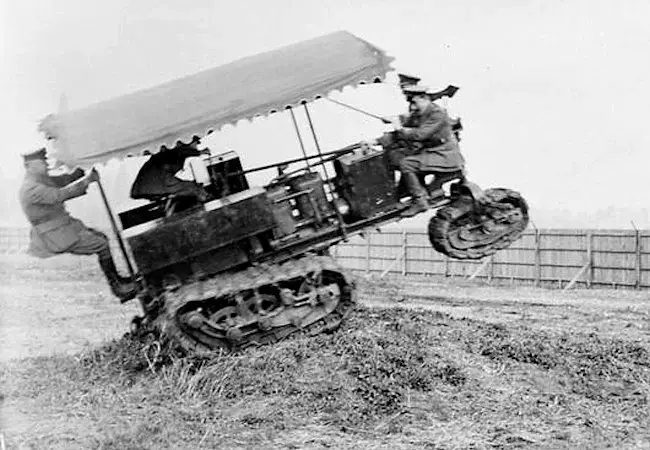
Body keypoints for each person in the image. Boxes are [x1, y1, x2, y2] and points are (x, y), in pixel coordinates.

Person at [19, 147, 137, 301]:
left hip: (64, 227)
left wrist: (84, 167)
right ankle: (118, 288)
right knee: (100, 244)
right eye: (42, 162)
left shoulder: (40, 180)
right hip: (54, 234)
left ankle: (119, 281)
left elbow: (65, 179)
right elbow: (59, 195)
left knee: (101, 237)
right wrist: (87, 180)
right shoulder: (31, 188)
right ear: (29, 166)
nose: (46, 164)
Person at [373, 85, 465, 217]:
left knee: (407, 163)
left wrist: (399, 126)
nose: (412, 107)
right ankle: (403, 193)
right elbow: (400, 132)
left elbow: (419, 135)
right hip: (431, 152)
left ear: (424, 98)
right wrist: (376, 141)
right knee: (393, 156)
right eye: (410, 103)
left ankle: (420, 201)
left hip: (445, 155)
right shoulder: (419, 113)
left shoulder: (437, 113)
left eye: (414, 102)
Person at [130, 138, 210, 210]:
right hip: (154, 183)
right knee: (189, 186)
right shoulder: (174, 150)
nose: (196, 146)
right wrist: (200, 152)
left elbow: (180, 152)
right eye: (196, 143)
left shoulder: (170, 152)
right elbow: (180, 151)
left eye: (204, 194)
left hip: (149, 185)